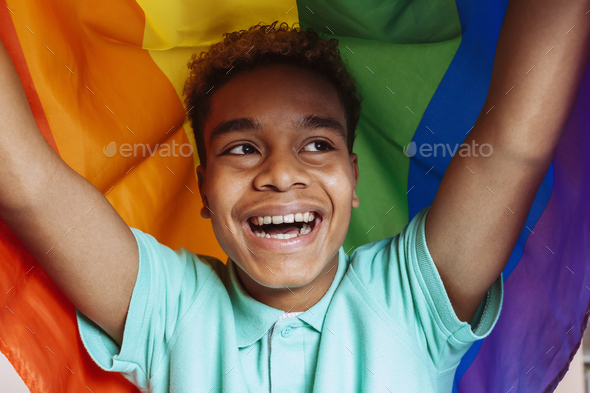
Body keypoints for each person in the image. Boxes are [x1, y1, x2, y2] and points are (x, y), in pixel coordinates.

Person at [0, 0, 588, 391]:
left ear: (353, 180)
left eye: (316, 145)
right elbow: (26, 181)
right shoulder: (170, 308)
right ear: (203, 187)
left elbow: (513, 143)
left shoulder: (412, 298)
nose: (281, 174)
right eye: (242, 149)